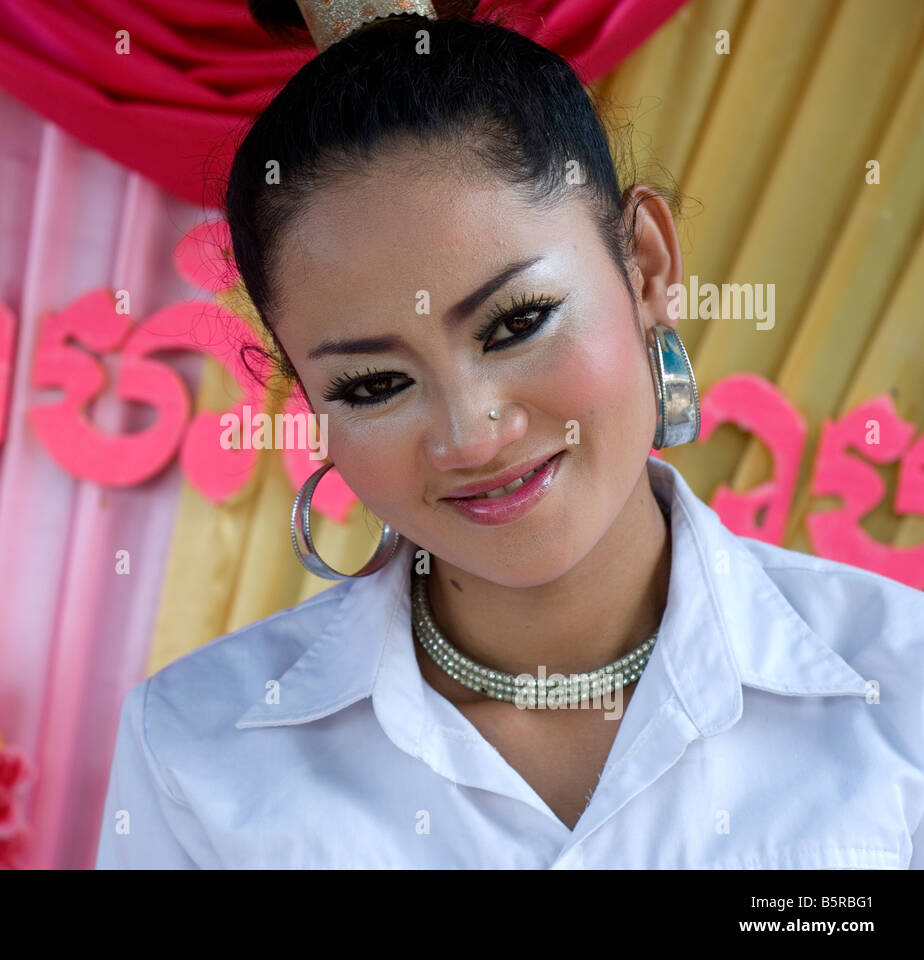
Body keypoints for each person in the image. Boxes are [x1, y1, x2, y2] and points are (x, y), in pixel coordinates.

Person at [96, 0, 924, 868]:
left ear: (645, 267)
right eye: (375, 384)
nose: (471, 434)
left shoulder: (898, 690)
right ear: (310, 404)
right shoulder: (196, 752)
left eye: (516, 322)